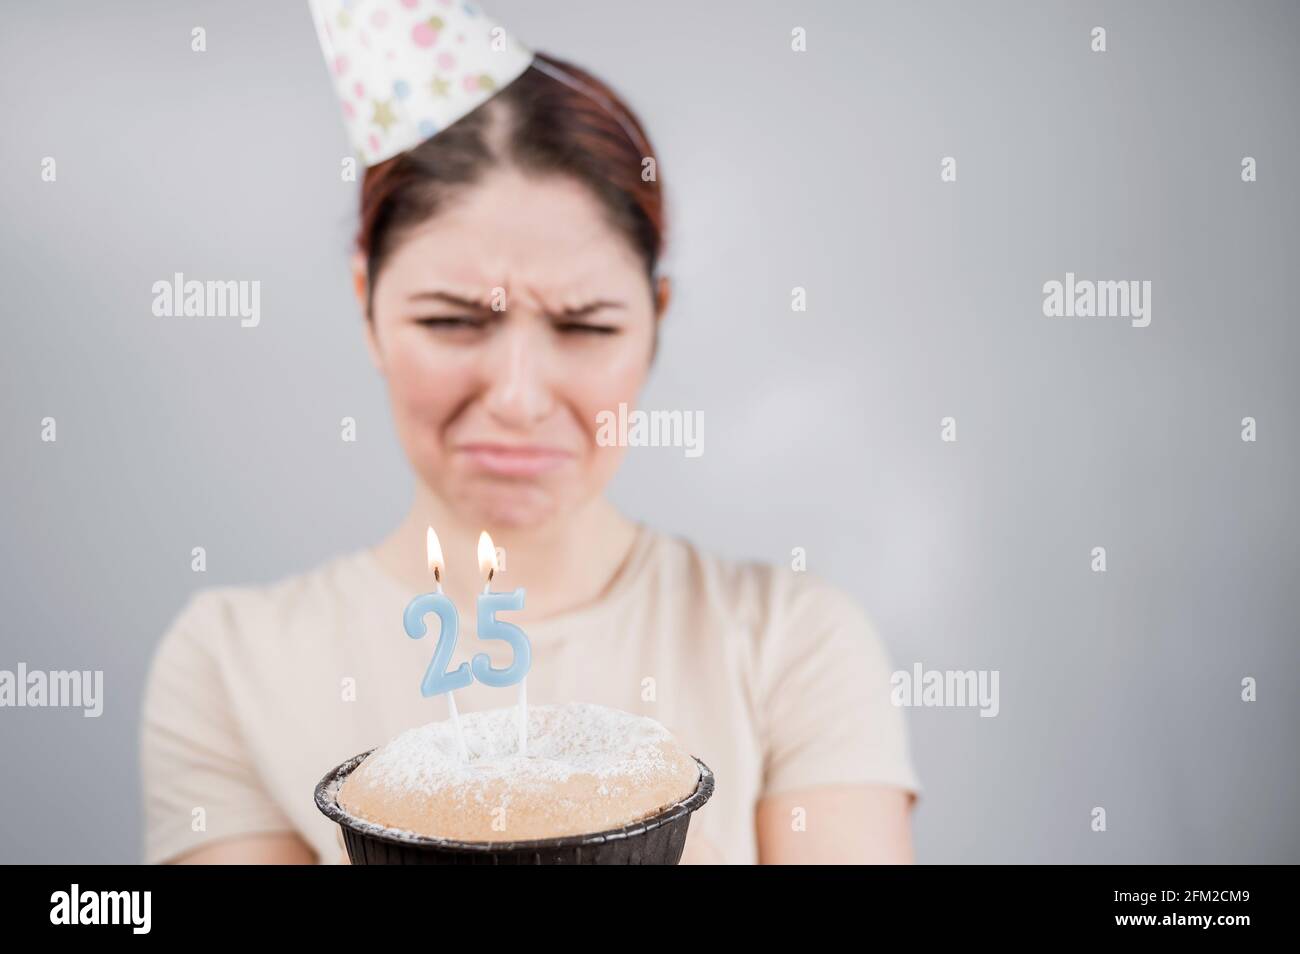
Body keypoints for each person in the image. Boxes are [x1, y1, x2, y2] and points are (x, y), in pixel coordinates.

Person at [140, 9, 921, 864]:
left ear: (654, 322)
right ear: (367, 308)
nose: (516, 397)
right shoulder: (229, 662)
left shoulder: (792, 642)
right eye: (449, 320)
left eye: (586, 327)